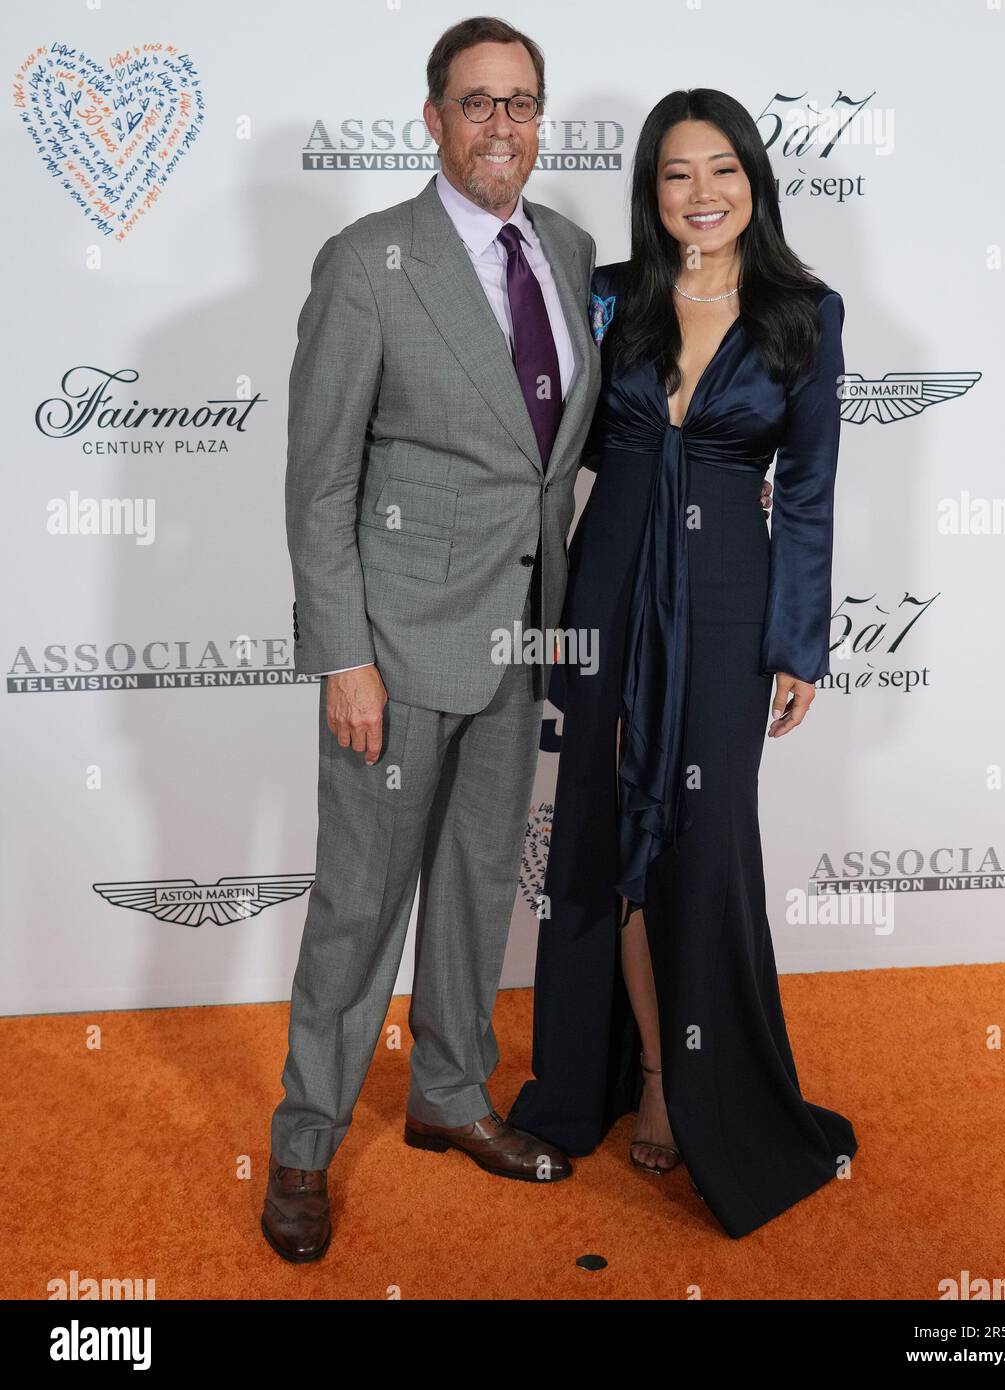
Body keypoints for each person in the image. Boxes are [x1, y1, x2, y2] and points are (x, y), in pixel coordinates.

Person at [263, 16, 603, 1263]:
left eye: (520, 103)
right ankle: (302, 1143)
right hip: (393, 659)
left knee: (470, 895)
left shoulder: (564, 251)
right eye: (476, 103)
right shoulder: (368, 263)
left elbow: (546, 457)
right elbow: (317, 483)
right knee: (358, 910)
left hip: (517, 644)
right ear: (432, 119)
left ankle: (451, 1097)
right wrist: (343, 655)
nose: (500, 126)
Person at [507, 88, 859, 1238]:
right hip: (606, 579)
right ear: (647, 190)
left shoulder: (805, 311)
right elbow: (547, 453)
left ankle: (714, 1077)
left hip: (723, 597)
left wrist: (795, 639)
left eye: (719, 171)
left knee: (701, 838)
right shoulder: (610, 295)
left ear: (753, 179)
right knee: (607, 822)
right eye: (673, 174)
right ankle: (652, 1069)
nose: (698, 195)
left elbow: (805, 490)